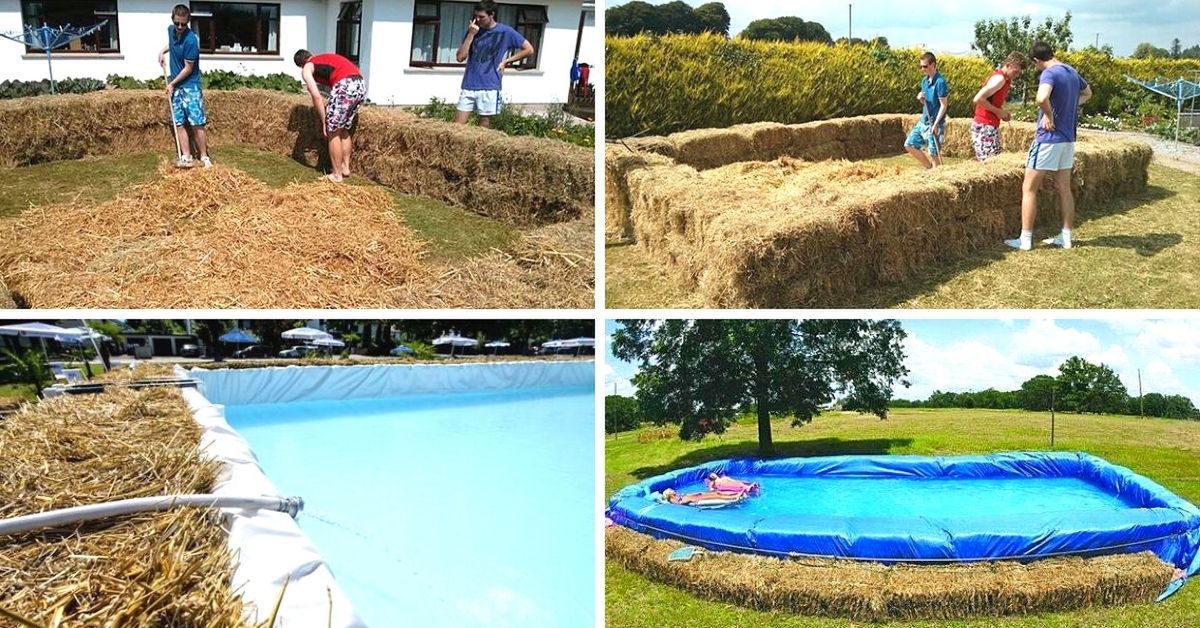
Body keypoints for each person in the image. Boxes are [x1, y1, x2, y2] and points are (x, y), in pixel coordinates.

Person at [1004, 42, 1092, 251]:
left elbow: (1041, 98)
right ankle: (1066, 237)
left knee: (1029, 188)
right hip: (1068, 139)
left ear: (1036, 60)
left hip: (1048, 139)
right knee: (1064, 187)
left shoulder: (1049, 73)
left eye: (1034, 65)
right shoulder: (1071, 71)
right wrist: (1068, 106)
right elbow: (1088, 93)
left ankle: (1025, 240)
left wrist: (1050, 114)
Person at [454, 1, 535, 128]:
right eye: (476, 16)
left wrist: (507, 61)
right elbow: (460, 57)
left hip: (490, 85)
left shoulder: (505, 32)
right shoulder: (473, 31)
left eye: (481, 17)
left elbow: (529, 49)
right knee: (457, 126)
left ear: (492, 14)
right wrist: (471, 34)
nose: (478, 20)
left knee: (483, 127)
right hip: (469, 84)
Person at [294, 50, 367, 183]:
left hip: (345, 85)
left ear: (300, 64)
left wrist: (324, 121)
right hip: (360, 84)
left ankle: (336, 175)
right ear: (310, 55)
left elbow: (316, 96)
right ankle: (345, 168)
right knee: (343, 129)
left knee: (332, 131)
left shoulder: (307, 67)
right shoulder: (322, 59)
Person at [158, 4, 211, 168]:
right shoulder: (170, 30)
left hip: (190, 86)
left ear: (188, 22)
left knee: (196, 123)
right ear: (172, 20)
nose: (180, 27)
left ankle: (204, 157)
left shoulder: (191, 40)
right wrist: (162, 52)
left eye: (183, 24)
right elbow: (172, 44)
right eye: (177, 23)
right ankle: (186, 156)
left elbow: (188, 69)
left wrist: (172, 83)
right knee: (179, 122)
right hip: (177, 87)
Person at [971, 51, 1028, 162]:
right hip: (985, 126)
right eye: (1015, 72)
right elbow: (978, 99)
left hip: (989, 125)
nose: (1016, 75)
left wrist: (1001, 112)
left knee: (993, 163)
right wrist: (998, 112)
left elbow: (990, 101)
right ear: (1008, 65)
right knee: (988, 164)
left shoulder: (1003, 79)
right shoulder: (999, 79)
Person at [904, 52, 949, 169]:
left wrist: (936, 124)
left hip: (934, 123)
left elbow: (944, 105)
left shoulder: (940, 82)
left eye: (925, 66)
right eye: (921, 66)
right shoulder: (924, 81)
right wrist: (920, 98)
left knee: (934, 154)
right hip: (924, 121)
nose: (923, 69)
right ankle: (928, 167)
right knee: (909, 144)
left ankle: (936, 176)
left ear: (933, 65)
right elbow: (926, 101)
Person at [661, 488, 744, 506]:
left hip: (694, 497)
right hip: (695, 500)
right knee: (717, 496)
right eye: (671, 490)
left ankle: (734, 494)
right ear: (669, 494)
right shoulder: (672, 499)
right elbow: (679, 503)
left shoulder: (675, 495)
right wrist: (683, 498)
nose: (673, 490)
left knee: (717, 493)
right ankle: (734, 497)